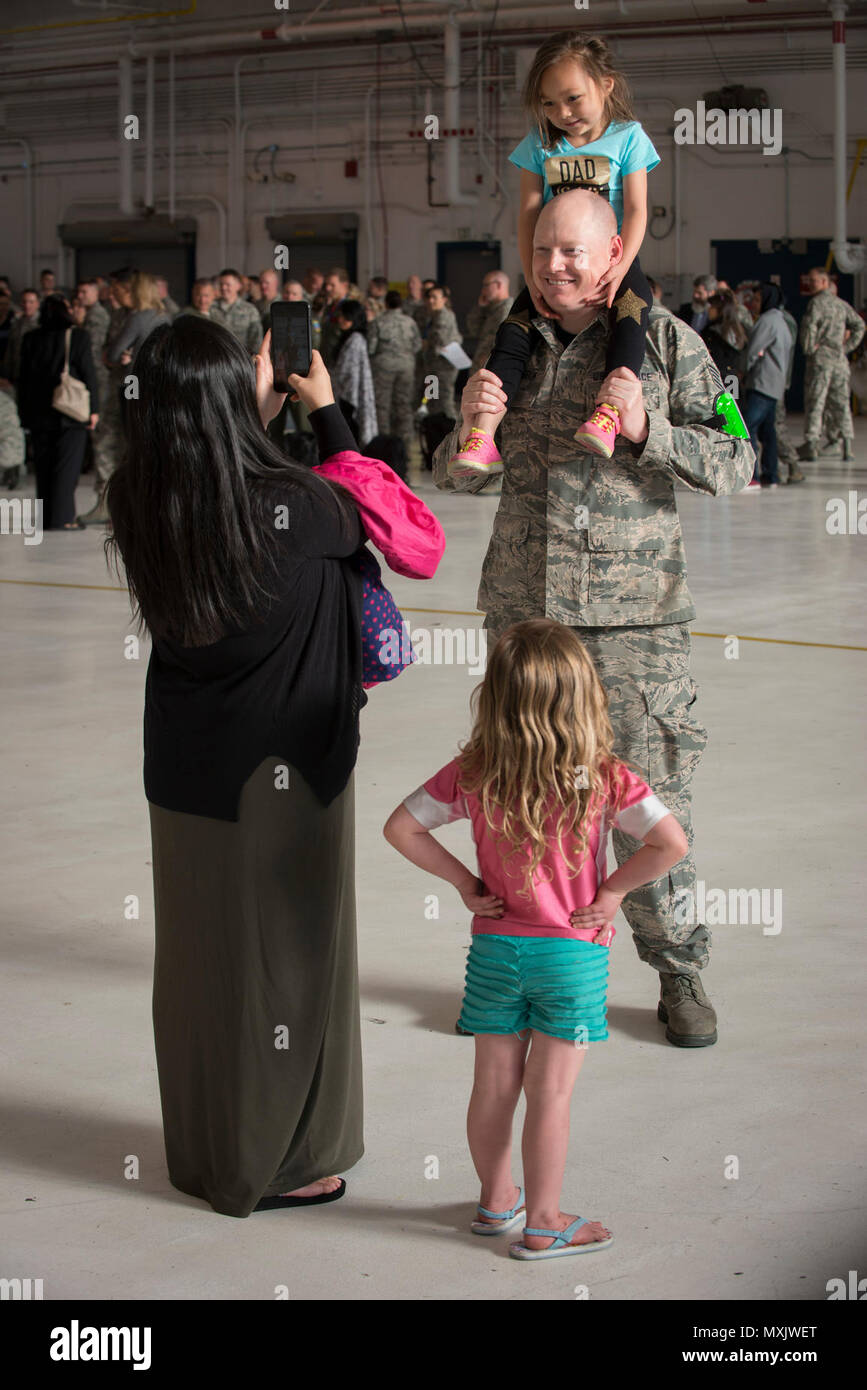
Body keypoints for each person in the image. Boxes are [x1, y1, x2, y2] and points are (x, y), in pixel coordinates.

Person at [102, 317, 438, 1218]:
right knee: (287, 961)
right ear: (224, 394)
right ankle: (279, 1162)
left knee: (205, 962)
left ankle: (209, 1147)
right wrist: (328, 414)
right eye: (251, 360)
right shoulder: (305, 508)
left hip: (183, 771)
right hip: (283, 774)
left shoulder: (139, 493)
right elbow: (409, 530)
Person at [432, 186, 754, 1046]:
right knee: (521, 807)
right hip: (524, 624)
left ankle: (679, 973)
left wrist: (652, 429)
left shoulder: (669, 344)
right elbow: (456, 473)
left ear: (614, 253)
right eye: (541, 252)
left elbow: (740, 457)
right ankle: (524, 966)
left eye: (573, 252)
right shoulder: (508, 348)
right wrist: (471, 431)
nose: (553, 268)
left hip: (632, 630)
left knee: (647, 810)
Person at [383, 619, 688, 1257]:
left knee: (494, 1085)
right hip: (573, 958)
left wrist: (467, 884)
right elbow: (670, 844)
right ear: (583, 697)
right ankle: (545, 1220)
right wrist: (610, 894)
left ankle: (497, 1203)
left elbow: (401, 828)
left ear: (494, 696)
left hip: (496, 949)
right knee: (549, 1092)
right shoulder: (605, 776)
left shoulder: (474, 770)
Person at [448, 30, 660, 480]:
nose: (562, 114)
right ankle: (483, 434)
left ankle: (609, 411)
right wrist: (531, 273)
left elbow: (639, 210)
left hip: (612, 261)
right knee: (513, 331)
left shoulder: (628, 138)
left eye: (572, 99)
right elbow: (527, 215)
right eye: (548, 103)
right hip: (551, 265)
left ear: (606, 85)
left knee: (631, 322)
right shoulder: (540, 145)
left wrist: (621, 268)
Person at [17, 294, 99, 529]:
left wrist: (24, 413)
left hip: (38, 412)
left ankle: (45, 517)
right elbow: (88, 373)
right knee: (67, 466)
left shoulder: (30, 338)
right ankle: (63, 518)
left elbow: (23, 378)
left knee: (43, 467)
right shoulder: (78, 337)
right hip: (70, 412)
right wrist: (94, 409)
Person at [797, 267, 864, 463]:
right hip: (840, 362)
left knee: (815, 402)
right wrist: (846, 347)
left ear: (825, 282)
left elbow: (809, 329)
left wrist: (809, 349)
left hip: (820, 362)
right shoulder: (841, 305)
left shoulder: (815, 304)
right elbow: (859, 325)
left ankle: (811, 444)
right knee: (841, 403)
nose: (810, 284)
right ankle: (847, 447)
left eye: (814, 281)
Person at [740, 283, 794, 489]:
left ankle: (752, 475)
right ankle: (771, 475)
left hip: (762, 383)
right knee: (768, 431)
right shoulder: (782, 321)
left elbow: (752, 351)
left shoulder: (767, 321)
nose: (753, 304)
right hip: (775, 385)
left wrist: (742, 370)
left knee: (748, 427)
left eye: (756, 299)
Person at [367, 289, 422, 458]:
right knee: (404, 406)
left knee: (382, 406)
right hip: (406, 367)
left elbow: (371, 348)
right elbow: (417, 345)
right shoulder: (410, 322)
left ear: (385, 304)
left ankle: (384, 448)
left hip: (383, 368)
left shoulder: (378, 322)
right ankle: (404, 448)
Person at [330, 298, 378, 445]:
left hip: (350, 394)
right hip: (347, 392)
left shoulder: (355, 339)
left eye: (345, 316)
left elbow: (348, 370)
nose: (341, 319)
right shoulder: (349, 337)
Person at [420, 282, 462, 419]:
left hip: (443, 367)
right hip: (434, 366)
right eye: (429, 297)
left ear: (444, 299)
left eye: (434, 297)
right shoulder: (434, 316)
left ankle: (452, 432)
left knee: (444, 403)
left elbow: (442, 340)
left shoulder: (444, 316)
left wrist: (427, 343)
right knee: (433, 400)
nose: (431, 301)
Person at [775, 295, 804, 485]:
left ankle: (792, 463)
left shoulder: (782, 321)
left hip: (774, 380)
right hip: (775, 379)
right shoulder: (782, 320)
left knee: (775, 424)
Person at [466, 271, 514, 375]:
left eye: (486, 285)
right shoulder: (492, 309)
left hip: (492, 370)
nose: (483, 290)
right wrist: (480, 308)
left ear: (499, 285)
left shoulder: (507, 310)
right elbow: (474, 331)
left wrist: (490, 357)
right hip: (482, 367)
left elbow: (506, 342)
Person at [700, 290, 747, 390]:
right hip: (733, 380)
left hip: (716, 381)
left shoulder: (712, 333)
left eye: (712, 307)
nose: (709, 310)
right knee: (730, 405)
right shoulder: (739, 331)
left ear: (720, 310)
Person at [211, 268, 263, 353]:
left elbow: (256, 340)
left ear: (238, 286)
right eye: (221, 284)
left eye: (228, 284)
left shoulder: (250, 310)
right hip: (217, 358)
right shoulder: (211, 308)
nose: (224, 288)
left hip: (242, 359)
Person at [0, 287, 41, 385]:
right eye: (24, 302)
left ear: (37, 304)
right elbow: (10, 349)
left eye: (31, 302)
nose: (27, 305)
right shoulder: (16, 323)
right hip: (16, 373)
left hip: (36, 375)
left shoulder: (42, 324)